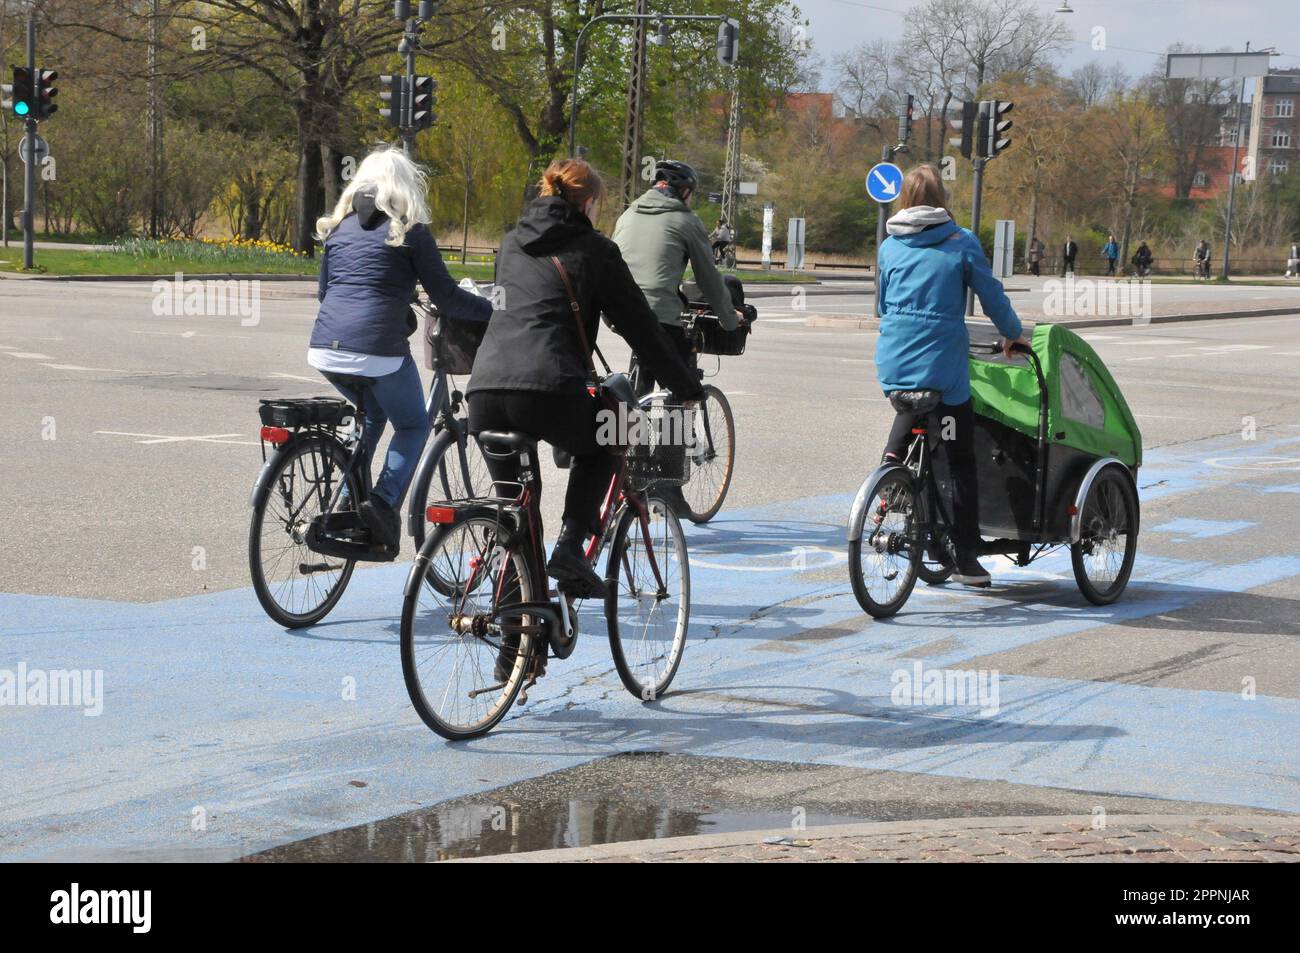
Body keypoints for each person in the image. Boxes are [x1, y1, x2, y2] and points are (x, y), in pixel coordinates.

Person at [467, 157, 704, 600]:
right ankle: (572, 545)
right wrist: (685, 386)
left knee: (519, 516)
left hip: (485, 390)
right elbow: (640, 327)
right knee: (614, 433)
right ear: (589, 202)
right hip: (548, 387)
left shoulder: (510, 243)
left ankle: (516, 643)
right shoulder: (594, 249)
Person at [310, 145, 492, 551]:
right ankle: (381, 502)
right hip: (374, 350)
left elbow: (326, 292)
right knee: (412, 424)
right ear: (405, 186)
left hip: (324, 348)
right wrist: (491, 312)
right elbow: (445, 297)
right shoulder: (410, 231)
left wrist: (398, 306)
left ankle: (344, 501)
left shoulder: (338, 228)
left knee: (375, 414)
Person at [874, 164, 1029, 587]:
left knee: (912, 394)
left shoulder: (889, 246)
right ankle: (965, 556)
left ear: (903, 200)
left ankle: (888, 469)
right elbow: (991, 296)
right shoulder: (960, 242)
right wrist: (1013, 335)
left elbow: (884, 302)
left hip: (892, 358)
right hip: (944, 364)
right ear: (942, 198)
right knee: (961, 457)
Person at [612, 159, 743, 396]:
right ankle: (681, 417)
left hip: (617, 312)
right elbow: (709, 279)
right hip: (657, 313)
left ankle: (634, 419)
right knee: (683, 381)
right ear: (684, 191)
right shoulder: (686, 221)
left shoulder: (627, 215)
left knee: (647, 355)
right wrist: (730, 318)